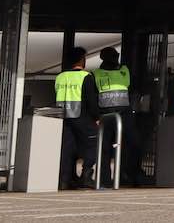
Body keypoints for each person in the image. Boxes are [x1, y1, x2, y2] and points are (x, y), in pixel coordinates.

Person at [54, 47, 99, 189]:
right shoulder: (86, 76)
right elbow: (91, 100)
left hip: (64, 117)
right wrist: (96, 117)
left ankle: (64, 180)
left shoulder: (60, 77)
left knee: (67, 149)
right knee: (93, 144)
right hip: (82, 117)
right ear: (82, 60)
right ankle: (86, 176)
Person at [91, 48, 133, 186]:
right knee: (105, 149)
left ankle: (122, 177)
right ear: (104, 58)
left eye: (116, 56)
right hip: (106, 116)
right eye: (113, 56)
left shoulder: (124, 70)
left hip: (122, 115)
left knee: (124, 147)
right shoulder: (96, 74)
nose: (116, 58)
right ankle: (105, 179)